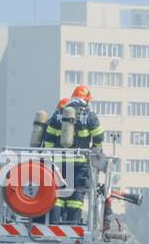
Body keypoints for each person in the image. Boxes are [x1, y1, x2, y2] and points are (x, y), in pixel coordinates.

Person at [43, 85, 104, 222]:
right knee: (76, 194)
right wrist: (95, 151)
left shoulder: (58, 114)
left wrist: (49, 158)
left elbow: (49, 137)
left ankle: (53, 222)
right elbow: (99, 136)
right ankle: (72, 223)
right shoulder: (89, 115)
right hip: (79, 163)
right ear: (87, 99)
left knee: (58, 194)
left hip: (59, 163)